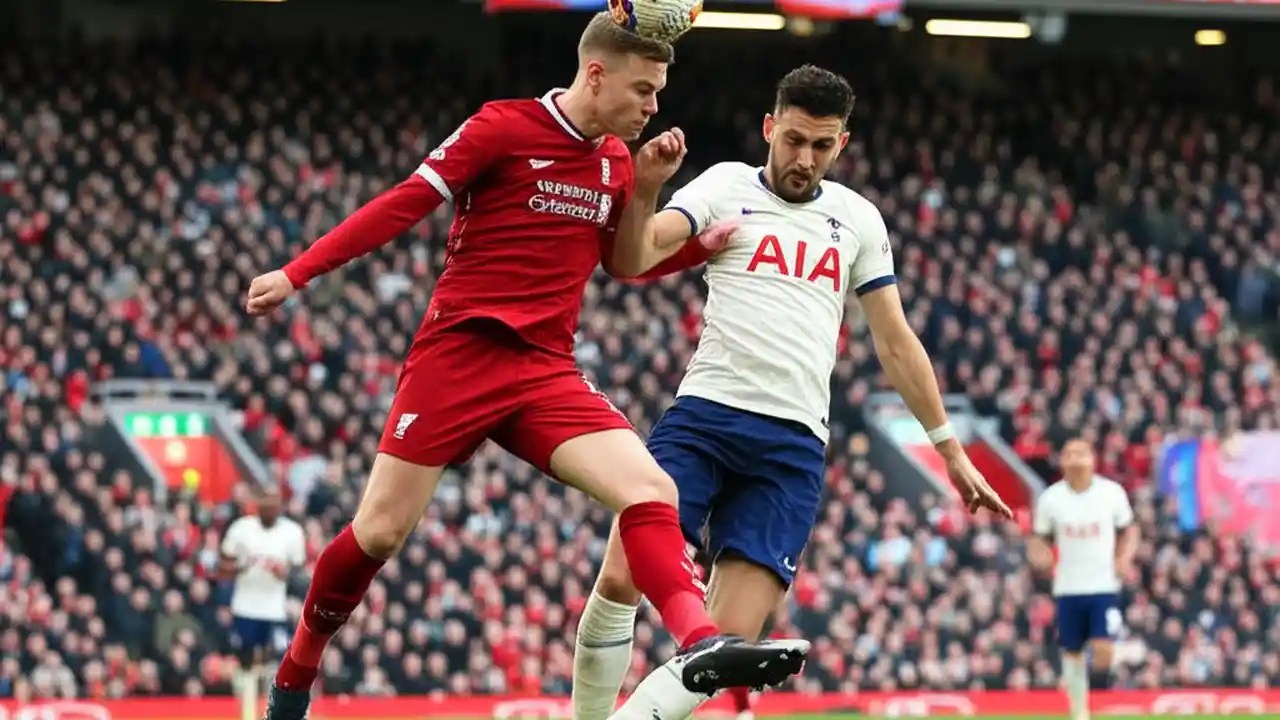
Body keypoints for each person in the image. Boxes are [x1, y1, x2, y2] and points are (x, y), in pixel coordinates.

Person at [244, 13, 809, 720]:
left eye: (659, 92)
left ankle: (698, 642)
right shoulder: (501, 128)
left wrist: (678, 225)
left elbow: (622, 262)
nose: (653, 105)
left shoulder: (616, 163)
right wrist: (297, 273)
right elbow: (404, 204)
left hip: (544, 371)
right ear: (596, 74)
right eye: (643, 89)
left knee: (649, 489)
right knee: (380, 533)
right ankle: (298, 669)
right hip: (459, 357)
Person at [573, 64, 1013, 720]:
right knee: (619, 580)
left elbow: (895, 342)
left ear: (843, 145)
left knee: (724, 651)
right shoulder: (724, 186)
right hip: (705, 419)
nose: (804, 159)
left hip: (791, 447)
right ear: (769, 128)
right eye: (794, 140)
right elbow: (633, 259)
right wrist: (646, 193)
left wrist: (949, 450)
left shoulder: (858, 220)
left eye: (821, 145)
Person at [1028, 438, 1139, 720]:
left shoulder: (1111, 493)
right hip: (1068, 586)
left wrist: (1124, 558)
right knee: (1072, 653)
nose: (1075, 460)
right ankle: (1080, 711)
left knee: (1102, 651)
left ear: (1093, 459)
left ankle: (1109, 681)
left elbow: (1129, 530)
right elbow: (1040, 538)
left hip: (1103, 584)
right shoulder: (1051, 499)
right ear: (1062, 461)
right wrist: (1039, 556)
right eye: (1068, 454)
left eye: (1080, 454)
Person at [218, 487, 306, 693]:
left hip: (275, 608)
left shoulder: (292, 532)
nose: (268, 511)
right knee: (245, 661)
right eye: (264, 507)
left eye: (272, 507)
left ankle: (272, 705)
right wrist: (243, 565)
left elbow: (299, 573)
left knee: (276, 661)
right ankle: (245, 707)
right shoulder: (241, 529)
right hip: (245, 605)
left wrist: (283, 572)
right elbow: (222, 568)